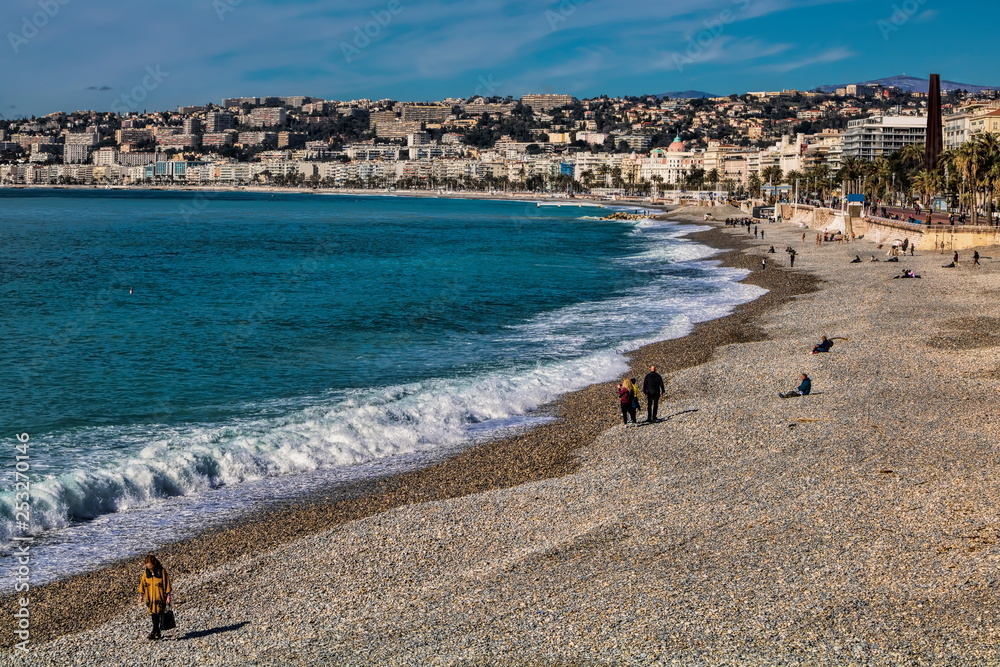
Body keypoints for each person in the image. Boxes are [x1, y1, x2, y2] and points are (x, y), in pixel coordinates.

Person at [138, 554, 172, 640]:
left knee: (159, 613)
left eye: (151, 567)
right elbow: (142, 584)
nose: (150, 569)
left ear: (154, 564)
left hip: (159, 597)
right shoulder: (146, 573)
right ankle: (156, 631)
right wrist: (141, 595)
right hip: (149, 597)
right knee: (153, 614)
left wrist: (168, 595)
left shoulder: (162, 572)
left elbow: (167, 583)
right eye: (148, 567)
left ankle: (155, 631)